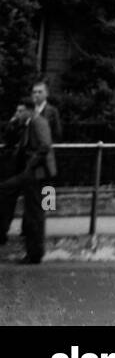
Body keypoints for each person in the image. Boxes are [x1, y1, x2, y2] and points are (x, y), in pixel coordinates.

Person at [0, 99, 55, 264]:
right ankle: (4, 234)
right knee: (6, 191)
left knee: (35, 214)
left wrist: (30, 167)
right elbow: (9, 140)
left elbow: (45, 146)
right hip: (29, 174)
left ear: (29, 111)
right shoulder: (27, 123)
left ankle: (35, 253)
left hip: (37, 175)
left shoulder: (38, 122)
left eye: (20, 111)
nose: (17, 114)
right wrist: (13, 123)